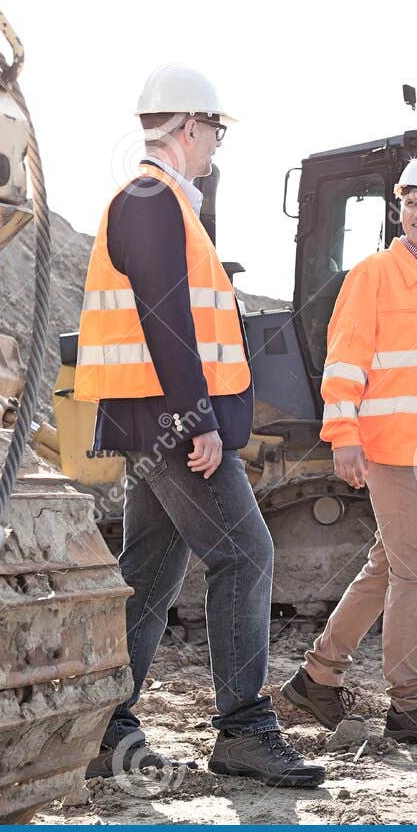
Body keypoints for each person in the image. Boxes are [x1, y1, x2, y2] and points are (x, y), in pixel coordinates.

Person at [78, 64, 323, 788]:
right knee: (244, 553)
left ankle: (102, 722)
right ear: (188, 127)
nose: (217, 143)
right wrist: (198, 419)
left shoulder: (168, 204)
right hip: (170, 421)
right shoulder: (154, 201)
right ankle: (245, 728)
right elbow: (166, 320)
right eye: (215, 129)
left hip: (155, 417)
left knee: (152, 570)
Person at [281, 153, 417, 744]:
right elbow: (344, 364)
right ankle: (408, 702)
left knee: (387, 567)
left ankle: (317, 680)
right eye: (410, 203)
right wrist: (344, 438)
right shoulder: (373, 274)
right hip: (391, 444)